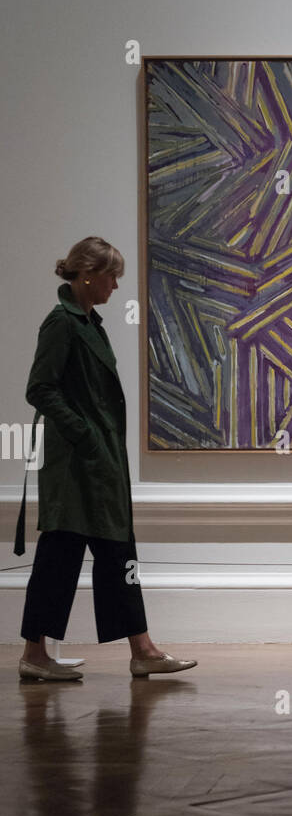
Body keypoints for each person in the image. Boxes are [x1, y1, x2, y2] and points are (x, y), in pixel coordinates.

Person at [14, 236, 197, 681]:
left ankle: (142, 649)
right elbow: (39, 388)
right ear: (88, 273)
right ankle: (36, 656)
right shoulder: (62, 323)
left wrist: (99, 442)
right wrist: (83, 433)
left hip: (100, 462)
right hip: (76, 466)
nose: (116, 286)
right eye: (112, 276)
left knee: (119, 554)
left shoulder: (90, 323)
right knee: (61, 555)